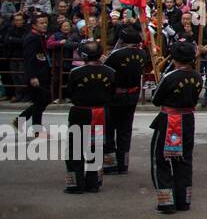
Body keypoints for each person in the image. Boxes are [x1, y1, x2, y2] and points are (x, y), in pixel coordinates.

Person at [149, 42, 202, 214]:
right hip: (187, 119)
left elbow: (156, 99)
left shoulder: (170, 77)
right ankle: (183, 200)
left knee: (161, 160)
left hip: (170, 119)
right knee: (184, 160)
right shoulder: (197, 76)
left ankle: (166, 202)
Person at [62, 41, 114, 194]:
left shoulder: (76, 72)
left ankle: (75, 184)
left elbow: (69, 93)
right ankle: (94, 183)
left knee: (75, 149)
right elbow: (111, 92)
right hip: (100, 112)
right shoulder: (110, 72)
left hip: (80, 111)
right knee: (96, 148)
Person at [103, 27, 152, 175]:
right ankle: (123, 162)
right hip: (132, 95)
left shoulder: (117, 55)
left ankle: (110, 164)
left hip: (115, 95)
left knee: (110, 129)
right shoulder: (142, 54)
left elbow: (107, 70)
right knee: (125, 129)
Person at [15, 12, 52, 134]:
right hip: (36, 75)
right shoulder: (31, 38)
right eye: (41, 23)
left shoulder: (41, 36)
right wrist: (32, 76)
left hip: (43, 73)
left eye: (46, 22)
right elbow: (29, 59)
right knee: (42, 100)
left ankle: (32, 126)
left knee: (41, 102)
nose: (44, 25)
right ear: (34, 25)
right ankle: (29, 124)